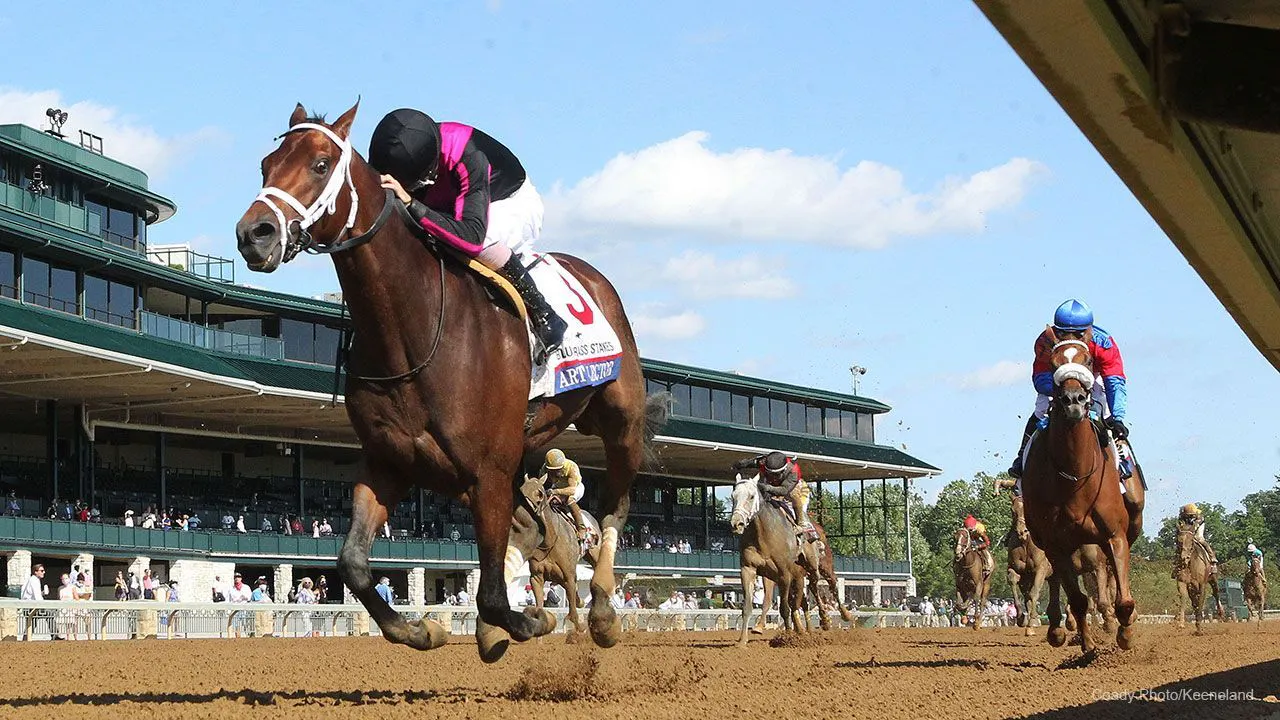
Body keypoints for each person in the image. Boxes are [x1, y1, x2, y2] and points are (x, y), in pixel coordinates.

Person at [369, 108, 567, 362]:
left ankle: (544, 314)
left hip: (509, 202)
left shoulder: (469, 155)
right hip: (452, 206)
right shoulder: (401, 149)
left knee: (478, 242)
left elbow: (472, 237)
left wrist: (412, 204)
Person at [1007, 299, 1131, 479]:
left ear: (1089, 331)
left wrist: (1118, 417)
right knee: (1041, 410)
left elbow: (1114, 381)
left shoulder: (1103, 343)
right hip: (1057, 380)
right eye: (1063, 333)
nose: (1071, 338)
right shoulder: (1045, 341)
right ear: (1056, 331)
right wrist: (1060, 391)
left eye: (1079, 334)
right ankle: (1022, 457)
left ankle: (1123, 458)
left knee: (1105, 413)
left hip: (1092, 377)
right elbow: (1040, 377)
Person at [732, 451, 815, 538]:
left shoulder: (793, 471)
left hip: (793, 489)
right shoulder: (763, 461)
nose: (772, 475)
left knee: (794, 495)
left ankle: (803, 524)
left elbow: (784, 490)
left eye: (775, 474)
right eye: (769, 472)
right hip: (771, 485)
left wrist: (768, 488)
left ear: (784, 469)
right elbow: (751, 462)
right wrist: (741, 464)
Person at [539, 448, 589, 540]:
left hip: (575, 488)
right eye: (552, 470)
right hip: (557, 487)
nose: (555, 472)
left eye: (557, 470)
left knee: (569, 500)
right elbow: (540, 483)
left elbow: (572, 490)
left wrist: (555, 492)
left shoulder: (571, 467)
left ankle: (581, 528)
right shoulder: (545, 468)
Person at [1172, 503, 1218, 578]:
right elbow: (1180, 526)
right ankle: (1176, 565)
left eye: (1191, 515)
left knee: (1199, 539)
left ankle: (1213, 559)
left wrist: (1190, 534)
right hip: (1187, 530)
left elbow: (1195, 527)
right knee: (1180, 543)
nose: (1189, 516)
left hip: (1198, 527)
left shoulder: (1199, 517)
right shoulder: (1182, 516)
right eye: (1188, 515)